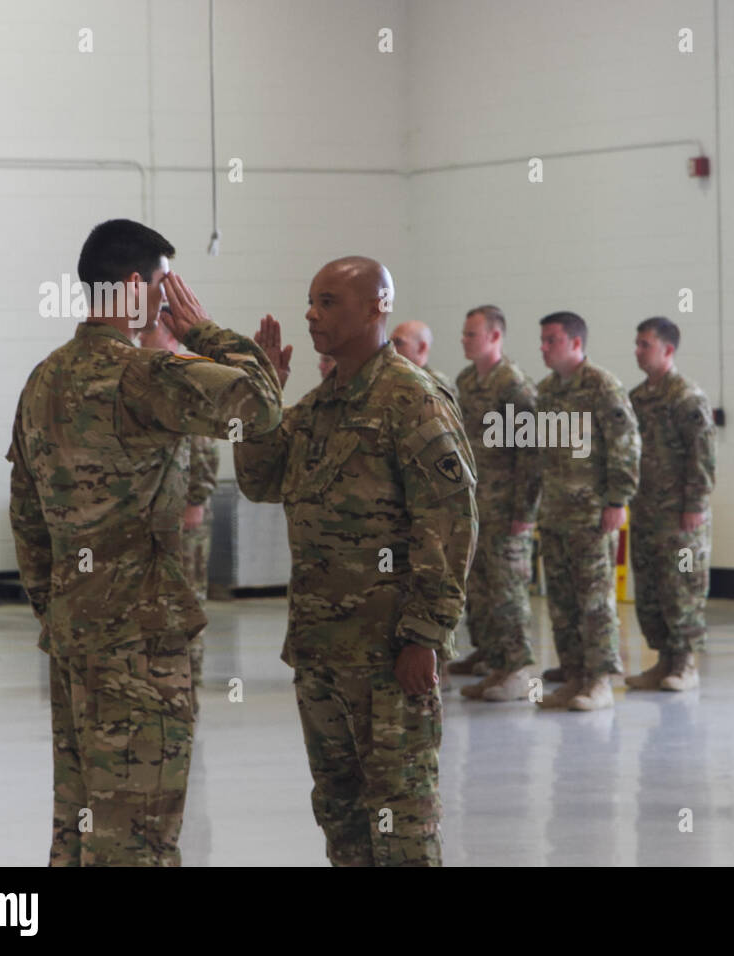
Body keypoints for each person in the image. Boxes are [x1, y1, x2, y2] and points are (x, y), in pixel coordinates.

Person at [7, 219, 282, 866]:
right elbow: (260, 408)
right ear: (135, 285)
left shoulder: (43, 379)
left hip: (74, 632)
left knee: (78, 823)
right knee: (139, 833)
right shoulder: (142, 375)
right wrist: (205, 332)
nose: (168, 301)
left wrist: (56, 609)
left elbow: (27, 516)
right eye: (165, 286)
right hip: (140, 642)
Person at [234, 256, 477, 866]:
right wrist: (264, 397)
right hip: (321, 651)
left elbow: (449, 522)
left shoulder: (411, 399)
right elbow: (260, 480)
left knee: (401, 818)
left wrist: (425, 635)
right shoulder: (319, 407)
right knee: (341, 816)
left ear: (377, 308)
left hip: (388, 653)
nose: (311, 315)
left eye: (328, 302)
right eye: (311, 301)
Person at [533, 311, 640, 711]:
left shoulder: (601, 386)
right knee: (561, 604)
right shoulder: (546, 391)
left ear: (576, 343)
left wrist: (617, 500)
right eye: (542, 340)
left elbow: (625, 445)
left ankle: (599, 681)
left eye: (552, 340)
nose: (544, 348)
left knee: (595, 602)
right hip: (555, 513)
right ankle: (574, 675)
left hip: (592, 515)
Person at [452, 305, 542, 700]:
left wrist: (525, 511)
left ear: (494, 337)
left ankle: (518, 671)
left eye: (471, 334)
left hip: (506, 507)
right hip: (475, 505)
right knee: (481, 589)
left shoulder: (513, 386)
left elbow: (531, 456)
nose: (464, 340)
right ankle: (493, 659)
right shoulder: (467, 381)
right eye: (464, 333)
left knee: (508, 591)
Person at [623, 317, 716, 692]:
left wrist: (695, 504)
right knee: (650, 590)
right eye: (637, 344)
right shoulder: (637, 398)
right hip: (646, 510)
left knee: (681, 588)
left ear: (668, 350)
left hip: (680, 515)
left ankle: (685, 663)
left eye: (645, 345)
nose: (637, 351)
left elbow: (702, 455)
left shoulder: (686, 396)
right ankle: (663, 660)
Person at [139, 311, 220, 692]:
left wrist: (195, 500)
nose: (142, 338)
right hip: (155, 512)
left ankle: (189, 685)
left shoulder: (186, 377)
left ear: (171, 336)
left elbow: (204, 442)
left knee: (186, 600)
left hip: (184, 511)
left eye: (149, 332)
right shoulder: (149, 376)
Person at [392, 320, 458, 400]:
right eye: (390, 343)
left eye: (398, 343)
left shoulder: (435, 382)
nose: (392, 348)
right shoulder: (393, 377)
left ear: (421, 347)